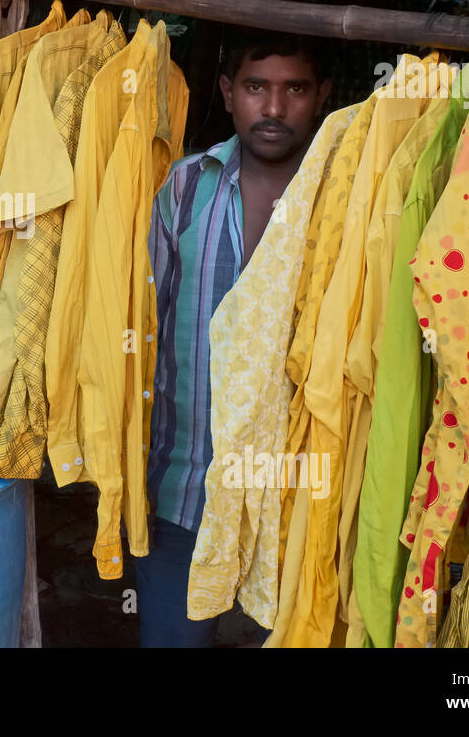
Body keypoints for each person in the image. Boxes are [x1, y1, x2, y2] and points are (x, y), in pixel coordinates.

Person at [137, 32, 332, 647]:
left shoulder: (344, 197)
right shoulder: (186, 187)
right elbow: (144, 329)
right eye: (255, 87)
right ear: (227, 93)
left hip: (298, 496)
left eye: (294, 89)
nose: (273, 108)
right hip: (182, 482)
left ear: (323, 96)